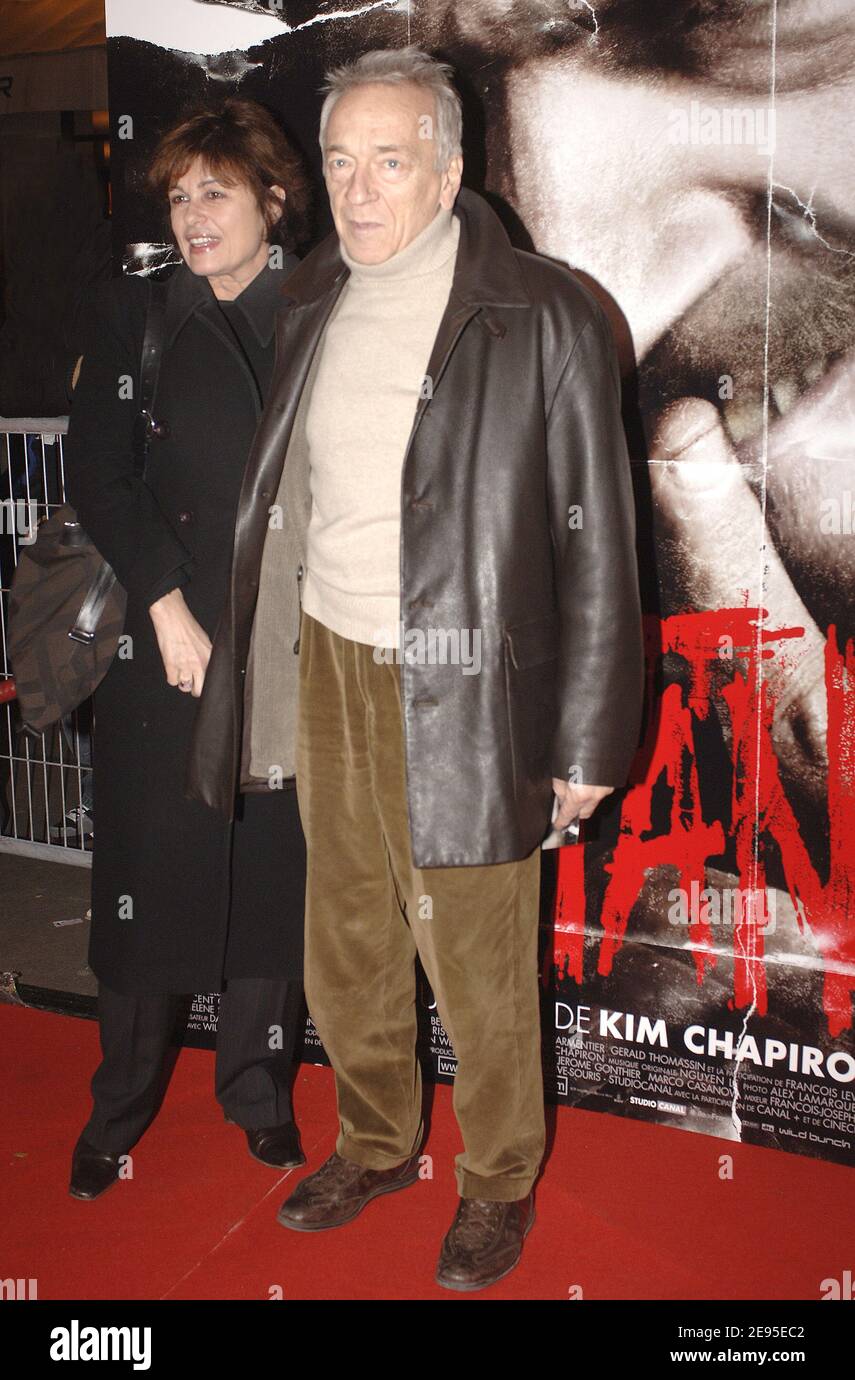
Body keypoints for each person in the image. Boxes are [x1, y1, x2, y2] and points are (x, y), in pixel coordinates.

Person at [188, 47, 643, 1291]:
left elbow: (602, 541)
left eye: (390, 160)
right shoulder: (311, 296)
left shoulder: (543, 313)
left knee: (479, 955)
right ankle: (378, 1141)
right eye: (340, 161)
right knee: (345, 928)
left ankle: (495, 1182)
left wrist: (588, 746)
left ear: (449, 171)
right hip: (331, 654)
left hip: (470, 677)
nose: (360, 187)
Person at [64, 98, 312, 1201]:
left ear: (272, 196)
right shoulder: (141, 311)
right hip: (166, 647)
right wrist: (163, 602)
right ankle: (117, 1106)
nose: (194, 213)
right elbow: (98, 474)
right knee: (145, 883)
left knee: (272, 880)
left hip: (289, 646)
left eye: (217, 190)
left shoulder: (324, 308)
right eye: (178, 194)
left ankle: (257, 1094)